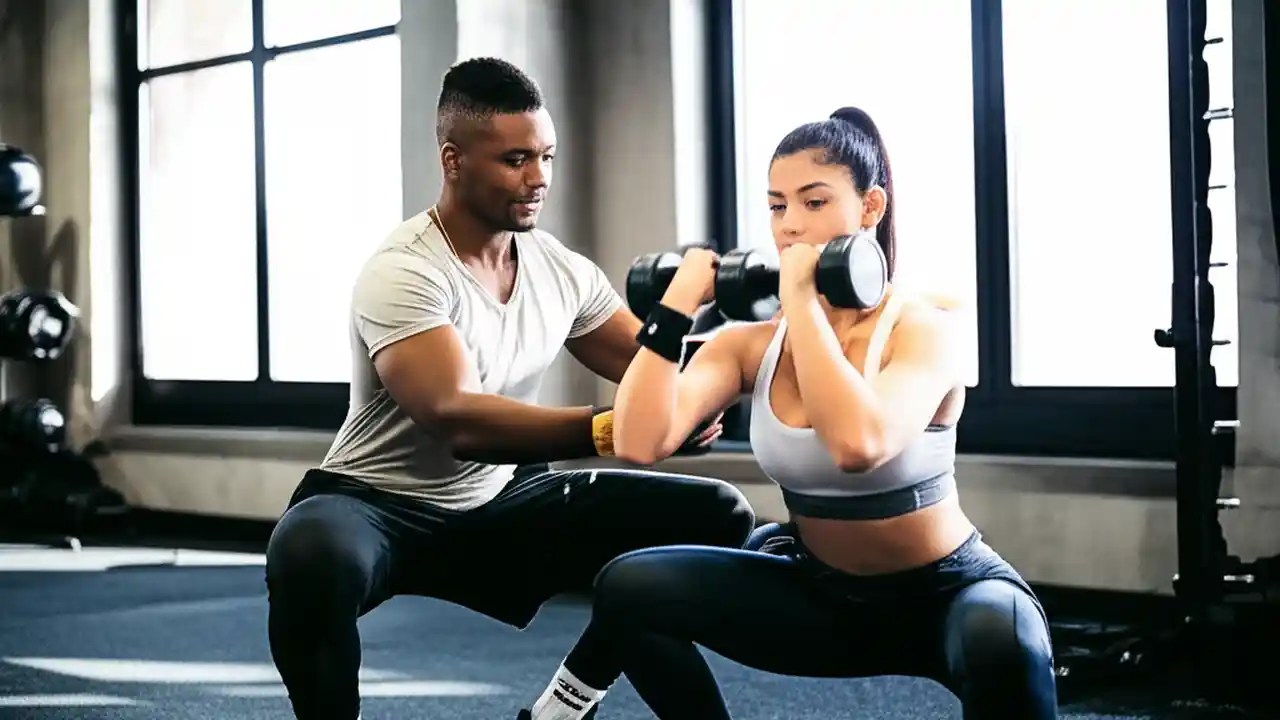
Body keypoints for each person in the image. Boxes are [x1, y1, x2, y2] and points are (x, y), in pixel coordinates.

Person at [520, 107, 1058, 720]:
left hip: (944, 594)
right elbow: (642, 439)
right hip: (819, 596)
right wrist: (672, 312)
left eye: (814, 202)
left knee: (1003, 638)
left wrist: (801, 302)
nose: (791, 227)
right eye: (778, 207)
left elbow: (859, 444)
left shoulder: (922, 330)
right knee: (629, 587)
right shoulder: (747, 347)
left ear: (870, 207)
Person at [262, 57, 755, 720]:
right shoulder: (404, 272)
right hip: (380, 505)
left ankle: (563, 707)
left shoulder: (558, 269)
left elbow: (654, 367)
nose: (539, 178)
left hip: (504, 501)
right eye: (517, 159)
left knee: (715, 515)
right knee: (308, 552)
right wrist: (611, 429)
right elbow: (457, 418)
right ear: (454, 159)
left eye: (547, 156)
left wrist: (768, 342)